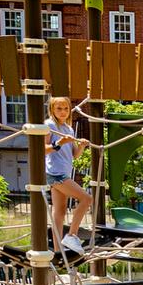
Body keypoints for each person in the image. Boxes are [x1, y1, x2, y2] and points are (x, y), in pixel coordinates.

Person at [45, 96, 92, 255]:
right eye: (59, 108)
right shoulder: (49, 125)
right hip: (55, 173)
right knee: (87, 198)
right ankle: (71, 235)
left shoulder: (69, 128)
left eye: (66, 108)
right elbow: (42, 149)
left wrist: (82, 146)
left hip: (63, 172)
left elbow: (74, 155)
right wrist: (59, 143)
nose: (63, 112)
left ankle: (58, 252)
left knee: (59, 211)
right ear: (52, 109)